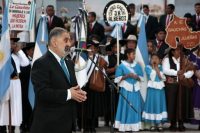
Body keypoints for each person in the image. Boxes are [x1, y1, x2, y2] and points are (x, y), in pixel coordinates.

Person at [30, 27, 87, 133]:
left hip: (67, 123)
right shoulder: (41, 63)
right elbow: (42, 92)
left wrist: (78, 93)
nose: (69, 44)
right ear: (54, 42)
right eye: (66, 40)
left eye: (70, 40)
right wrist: (69, 94)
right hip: (49, 124)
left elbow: (71, 87)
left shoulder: (69, 63)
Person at [0, 36, 30, 133]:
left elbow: (25, 63)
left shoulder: (16, 55)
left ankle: (12, 126)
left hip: (16, 82)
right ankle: (4, 127)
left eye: (14, 43)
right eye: (11, 43)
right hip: (6, 81)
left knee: (15, 105)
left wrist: (19, 51)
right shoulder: (3, 55)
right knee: (5, 104)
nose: (13, 45)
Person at [162, 45, 194, 131]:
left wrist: (184, 75)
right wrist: (177, 73)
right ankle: (172, 123)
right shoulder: (167, 59)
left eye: (180, 50)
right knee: (172, 104)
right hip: (171, 85)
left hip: (183, 85)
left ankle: (181, 123)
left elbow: (191, 70)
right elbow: (165, 70)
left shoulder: (185, 59)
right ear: (172, 51)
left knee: (182, 103)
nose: (179, 52)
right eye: (177, 50)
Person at [114, 49, 144, 132]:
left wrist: (136, 77)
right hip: (125, 89)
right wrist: (127, 76)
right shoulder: (122, 66)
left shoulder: (137, 65)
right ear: (127, 54)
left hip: (135, 89)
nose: (134, 56)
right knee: (126, 106)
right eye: (132, 54)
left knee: (135, 106)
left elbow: (142, 78)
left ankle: (135, 126)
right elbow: (117, 79)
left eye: (134, 54)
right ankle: (124, 126)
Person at [142, 54, 167, 131]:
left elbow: (161, 77)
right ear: (150, 60)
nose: (154, 60)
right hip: (152, 88)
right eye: (153, 58)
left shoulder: (161, 67)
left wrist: (157, 68)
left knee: (159, 104)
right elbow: (151, 76)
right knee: (152, 104)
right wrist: (154, 67)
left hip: (160, 89)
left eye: (156, 58)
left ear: (159, 60)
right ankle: (152, 123)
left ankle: (159, 123)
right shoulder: (147, 67)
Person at [20, 42, 35, 133]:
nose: (34, 52)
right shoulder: (24, 62)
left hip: (34, 89)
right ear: (28, 51)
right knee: (25, 107)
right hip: (25, 89)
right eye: (33, 50)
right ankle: (24, 125)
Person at [189, 47, 200, 130]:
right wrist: (196, 73)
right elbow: (190, 66)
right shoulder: (193, 55)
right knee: (197, 99)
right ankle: (198, 120)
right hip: (197, 81)